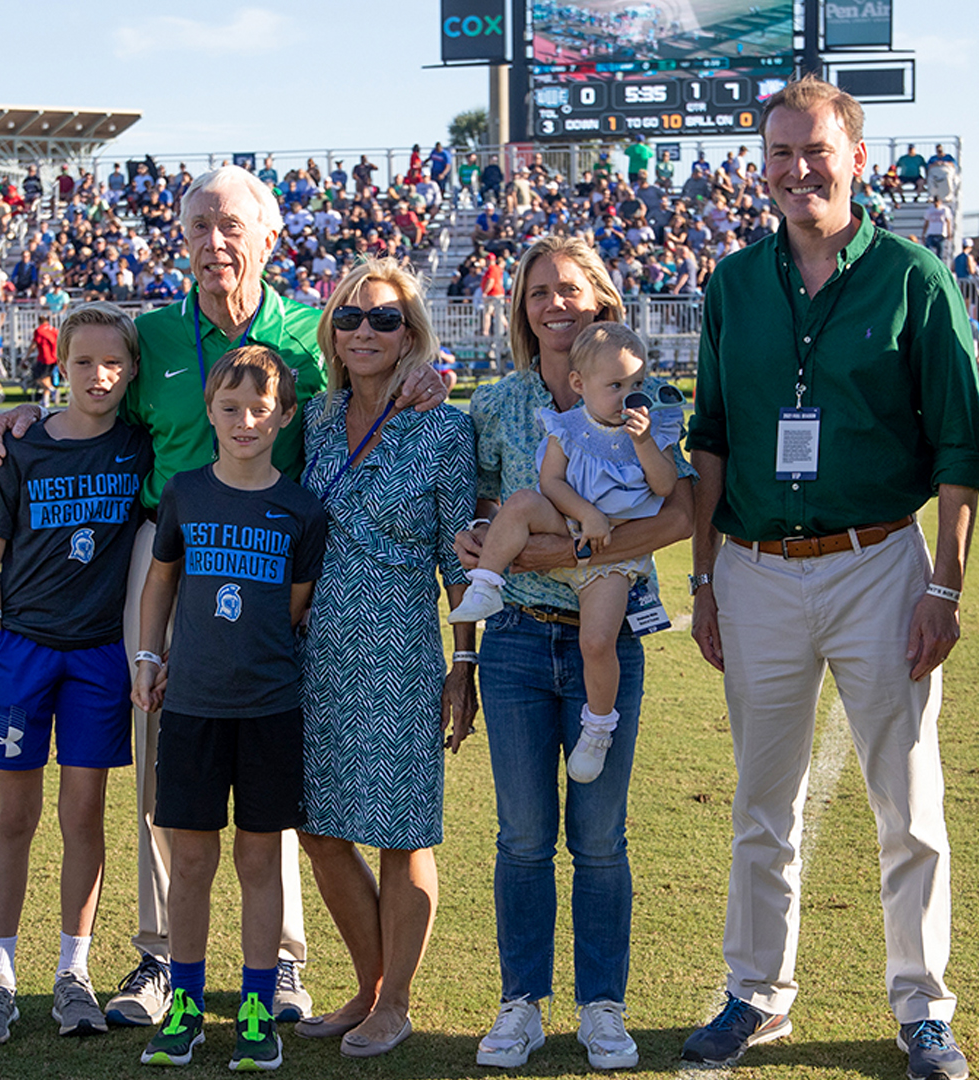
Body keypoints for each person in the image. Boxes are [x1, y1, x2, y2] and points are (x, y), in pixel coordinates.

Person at [0, 164, 450, 1032]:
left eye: (231, 225)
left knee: (280, 746)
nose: (214, 242)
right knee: (163, 747)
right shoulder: (154, 334)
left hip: (281, 556)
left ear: (269, 236)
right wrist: (21, 417)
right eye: (198, 226)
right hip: (167, 554)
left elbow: (377, 378)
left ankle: (284, 961)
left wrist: (430, 376)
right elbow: (93, 401)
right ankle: (163, 953)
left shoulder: (314, 331)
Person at [682, 78, 979, 1080]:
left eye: (815, 150)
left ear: (857, 157)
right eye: (780, 153)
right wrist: (705, 580)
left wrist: (945, 587)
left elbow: (960, 445)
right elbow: (711, 437)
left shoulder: (913, 276)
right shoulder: (734, 283)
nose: (797, 170)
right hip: (756, 567)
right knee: (761, 805)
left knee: (909, 803)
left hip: (879, 563)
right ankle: (756, 994)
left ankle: (923, 1006)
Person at [454, 235, 696, 1071]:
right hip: (517, 640)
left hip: (607, 637)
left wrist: (570, 552)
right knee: (522, 838)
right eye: (538, 293)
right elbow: (485, 517)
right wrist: (467, 641)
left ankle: (603, 1008)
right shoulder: (498, 404)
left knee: (599, 840)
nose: (554, 305)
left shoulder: (650, 400)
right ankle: (520, 1005)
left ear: (601, 301)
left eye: (569, 290)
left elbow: (678, 513)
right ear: (522, 311)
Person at [290, 260, 477, 1059]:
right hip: (312, 649)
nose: (364, 330)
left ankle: (395, 1002)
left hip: (400, 646)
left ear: (411, 335)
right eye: (350, 317)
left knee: (402, 833)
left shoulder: (445, 429)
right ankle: (369, 989)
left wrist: (463, 664)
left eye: (384, 319)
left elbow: (460, 559)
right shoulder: (313, 417)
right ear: (332, 331)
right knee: (318, 828)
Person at [131, 346, 328, 1070]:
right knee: (189, 860)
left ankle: (255, 1007)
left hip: (270, 708)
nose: (245, 421)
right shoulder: (185, 493)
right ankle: (185, 1005)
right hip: (193, 706)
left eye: (260, 409)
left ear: (285, 416)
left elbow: (295, 606)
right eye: (230, 408)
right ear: (210, 413)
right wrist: (148, 656)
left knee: (259, 857)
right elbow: (161, 581)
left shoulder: (302, 509)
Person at [0, 302, 151, 1044]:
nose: (98, 375)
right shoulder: (23, 445)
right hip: (24, 653)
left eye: (113, 363)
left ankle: (74, 972)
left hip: (99, 657)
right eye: (83, 362)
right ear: (61, 365)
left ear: (131, 371)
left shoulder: (139, 446)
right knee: (14, 815)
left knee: (83, 815)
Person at [449, 321, 681, 788]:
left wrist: (643, 443)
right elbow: (550, 483)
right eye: (615, 386)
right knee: (520, 503)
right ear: (580, 384)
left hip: (612, 556)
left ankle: (598, 727)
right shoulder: (566, 427)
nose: (629, 397)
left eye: (636, 384)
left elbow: (665, 486)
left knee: (597, 642)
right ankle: (486, 584)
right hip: (570, 522)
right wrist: (586, 514)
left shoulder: (648, 428)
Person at [32, 313, 60, 409]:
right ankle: (46, 401)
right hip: (54, 357)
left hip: (45, 357)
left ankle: (52, 390)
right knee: (47, 379)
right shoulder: (55, 330)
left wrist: (26, 357)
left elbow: (34, 344)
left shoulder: (39, 330)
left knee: (38, 378)